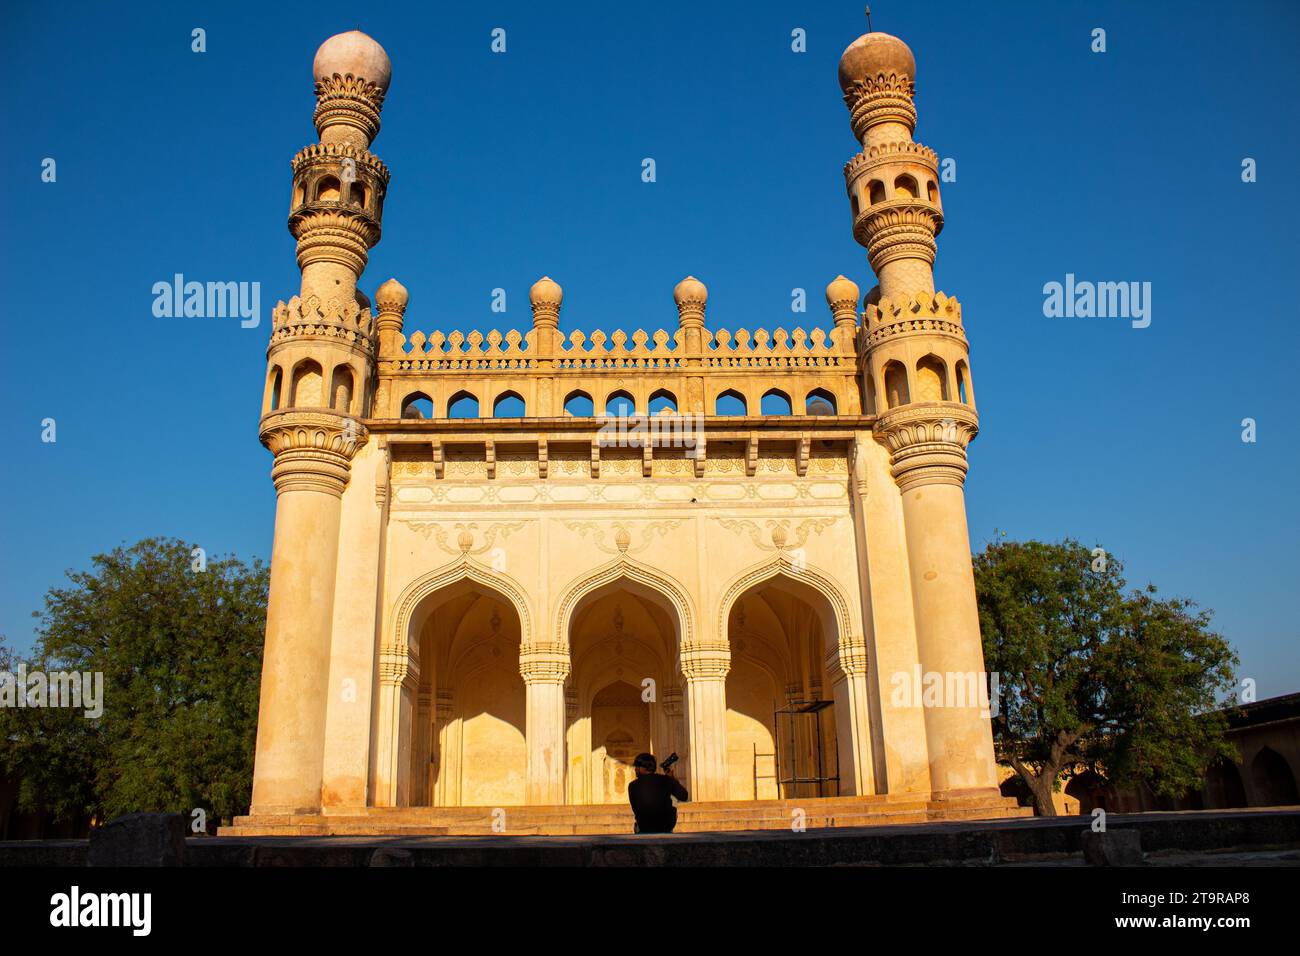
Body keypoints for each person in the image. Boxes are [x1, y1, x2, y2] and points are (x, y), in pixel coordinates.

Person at [628, 752, 688, 834]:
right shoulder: (666, 780)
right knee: (672, 797)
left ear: (644, 768)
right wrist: (672, 779)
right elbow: (684, 796)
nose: (635, 769)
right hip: (666, 825)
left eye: (637, 767)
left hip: (644, 826)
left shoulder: (632, 786)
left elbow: (636, 809)